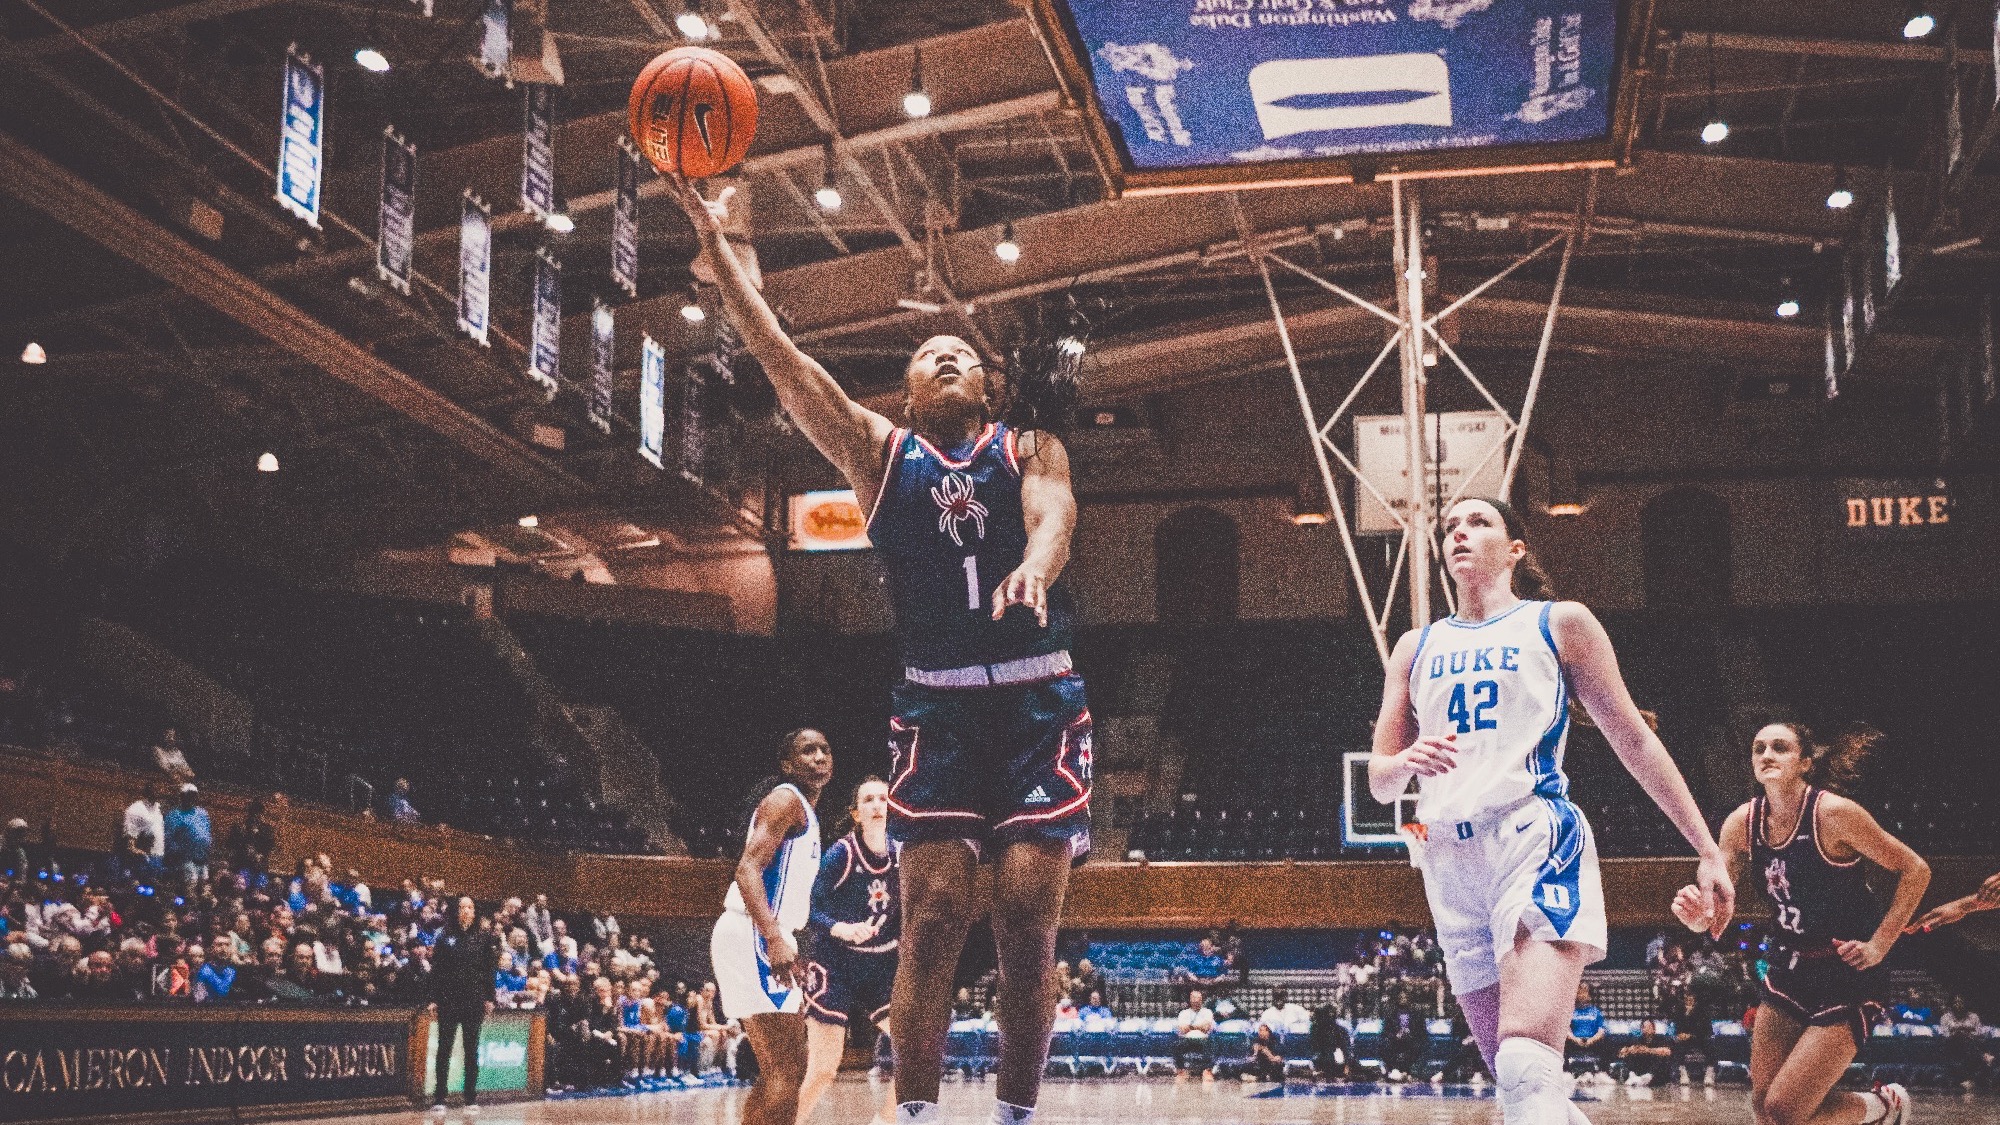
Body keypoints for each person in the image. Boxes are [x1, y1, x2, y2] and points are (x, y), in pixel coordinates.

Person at [669, 173, 1090, 1125]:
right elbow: (780, 360)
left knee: (1028, 922)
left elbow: (1054, 516)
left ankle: (1017, 1112)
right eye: (926, 353)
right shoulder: (877, 453)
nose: (945, 358)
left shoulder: (1031, 447)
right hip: (937, 706)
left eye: (961, 353)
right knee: (933, 917)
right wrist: (720, 246)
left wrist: (1035, 565)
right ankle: (917, 1115)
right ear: (903, 389)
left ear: (986, 383)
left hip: (1037, 702)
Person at [1368, 497, 1735, 1125]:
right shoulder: (1414, 645)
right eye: (1451, 526)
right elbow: (1378, 782)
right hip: (1446, 859)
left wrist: (1707, 849)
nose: (1460, 532)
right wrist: (1405, 762)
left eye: (1480, 522)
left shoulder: (1557, 622)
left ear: (1515, 550)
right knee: (1523, 1088)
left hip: (1530, 835)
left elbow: (1634, 739)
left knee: (1524, 1067)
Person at [1672, 722, 1929, 1125]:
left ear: (1805, 762)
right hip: (1789, 968)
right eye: (1759, 748)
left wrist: (1880, 943)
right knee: (1764, 1108)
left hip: (1846, 973)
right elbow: (1716, 909)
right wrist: (1696, 918)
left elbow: (1915, 870)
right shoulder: (1741, 824)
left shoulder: (1834, 814)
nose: (1767, 755)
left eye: (1780, 747)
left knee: (1786, 1111)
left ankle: (1885, 1106)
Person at [709, 730, 831, 1125]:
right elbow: (747, 870)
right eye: (807, 751)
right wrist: (774, 936)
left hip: (766, 936)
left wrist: (788, 941)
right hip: (753, 934)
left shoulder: (806, 813)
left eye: (824, 750)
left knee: (783, 1070)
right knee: (787, 1069)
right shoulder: (785, 800)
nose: (818, 757)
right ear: (787, 764)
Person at [797, 777, 900, 1125]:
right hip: (835, 962)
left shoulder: (905, 855)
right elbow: (807, 906)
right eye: (868, 799)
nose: (877, 805)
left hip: (881, 966)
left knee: (916, 1053)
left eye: (884, 798)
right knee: (824, 1067)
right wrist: (840, 927)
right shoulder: (842, 853)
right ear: (856, 813)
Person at [429, 896, 500, 1116]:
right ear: (456, 911)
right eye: (462, 907)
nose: (466, 911)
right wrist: (433, 998)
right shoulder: (444, 936)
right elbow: (437, 970)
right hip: (449, 1001)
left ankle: (470, 1097)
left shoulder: (484, 937)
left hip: (474, 1000)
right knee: (444, 1049)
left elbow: (490, 970)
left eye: (470, 907)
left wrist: (490, 998)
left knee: (471, 1050)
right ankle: (440, 1097)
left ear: (475, 911)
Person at [161, 784, 211, 900]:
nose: (191, 798)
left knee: (204, 888)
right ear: (182, 796)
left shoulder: (202, 813)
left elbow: (206, 833)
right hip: (186, 859)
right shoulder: (174, 815)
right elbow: (168, 838)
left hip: (202, 858)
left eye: (194, 796)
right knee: (190, 888)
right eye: (188, 796)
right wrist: (179, 853)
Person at [1174, 989, 1215, 1081]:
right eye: (1194, 998)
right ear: (1190, 1000)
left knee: (1212, 1044)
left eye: (1198, 998)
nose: (1196, 1000)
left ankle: (1207, 1071)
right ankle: (1181, 1071)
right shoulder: (1183, 1013)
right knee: (1177, 1045)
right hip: (1187, 1038)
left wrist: (1190, 1026)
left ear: (1201, 1000)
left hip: (1203, 1038)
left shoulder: (1207, 1012)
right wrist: (1198, 1026)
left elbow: (1206, 1028)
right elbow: (1183, 1029)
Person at [1618, 1019, 1673, 1087]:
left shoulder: (1661, 1038)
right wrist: (1629, 1050)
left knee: (1660, 1056)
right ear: (1641, 1029)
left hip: (1657, 1071)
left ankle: (1649, 1076)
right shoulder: (1639, 1039)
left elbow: (1668, 1052)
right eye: (1644, 1027)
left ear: (1654, 1029)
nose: (1647, 1029)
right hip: (1643, 1066)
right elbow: (1622, 1053)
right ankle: (1632, 1075)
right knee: (1630, 1055)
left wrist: (1648, 1050)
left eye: (1649, 1027)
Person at [1567, 985, 1607, 1077]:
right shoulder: (1570, 1011)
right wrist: (1575, 1039)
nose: (1581, 994)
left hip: (1592, 1041)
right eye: (1579, 992)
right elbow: (1566, 1030)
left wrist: (1591, 1040)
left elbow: (1601, 1030)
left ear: (1589, 995)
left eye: (1584, 992)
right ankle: (1567, 1071)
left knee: (1605, 1043)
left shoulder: (1596, 1012)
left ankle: (1602, 1073)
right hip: (1574, 1041)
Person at [123, 782, 165, 865]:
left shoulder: (159, 807)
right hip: (145, 860)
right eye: (155, 789)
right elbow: (131, 845)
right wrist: (143, 855)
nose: (160, 791)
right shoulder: (136, 810)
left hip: (159, 857)